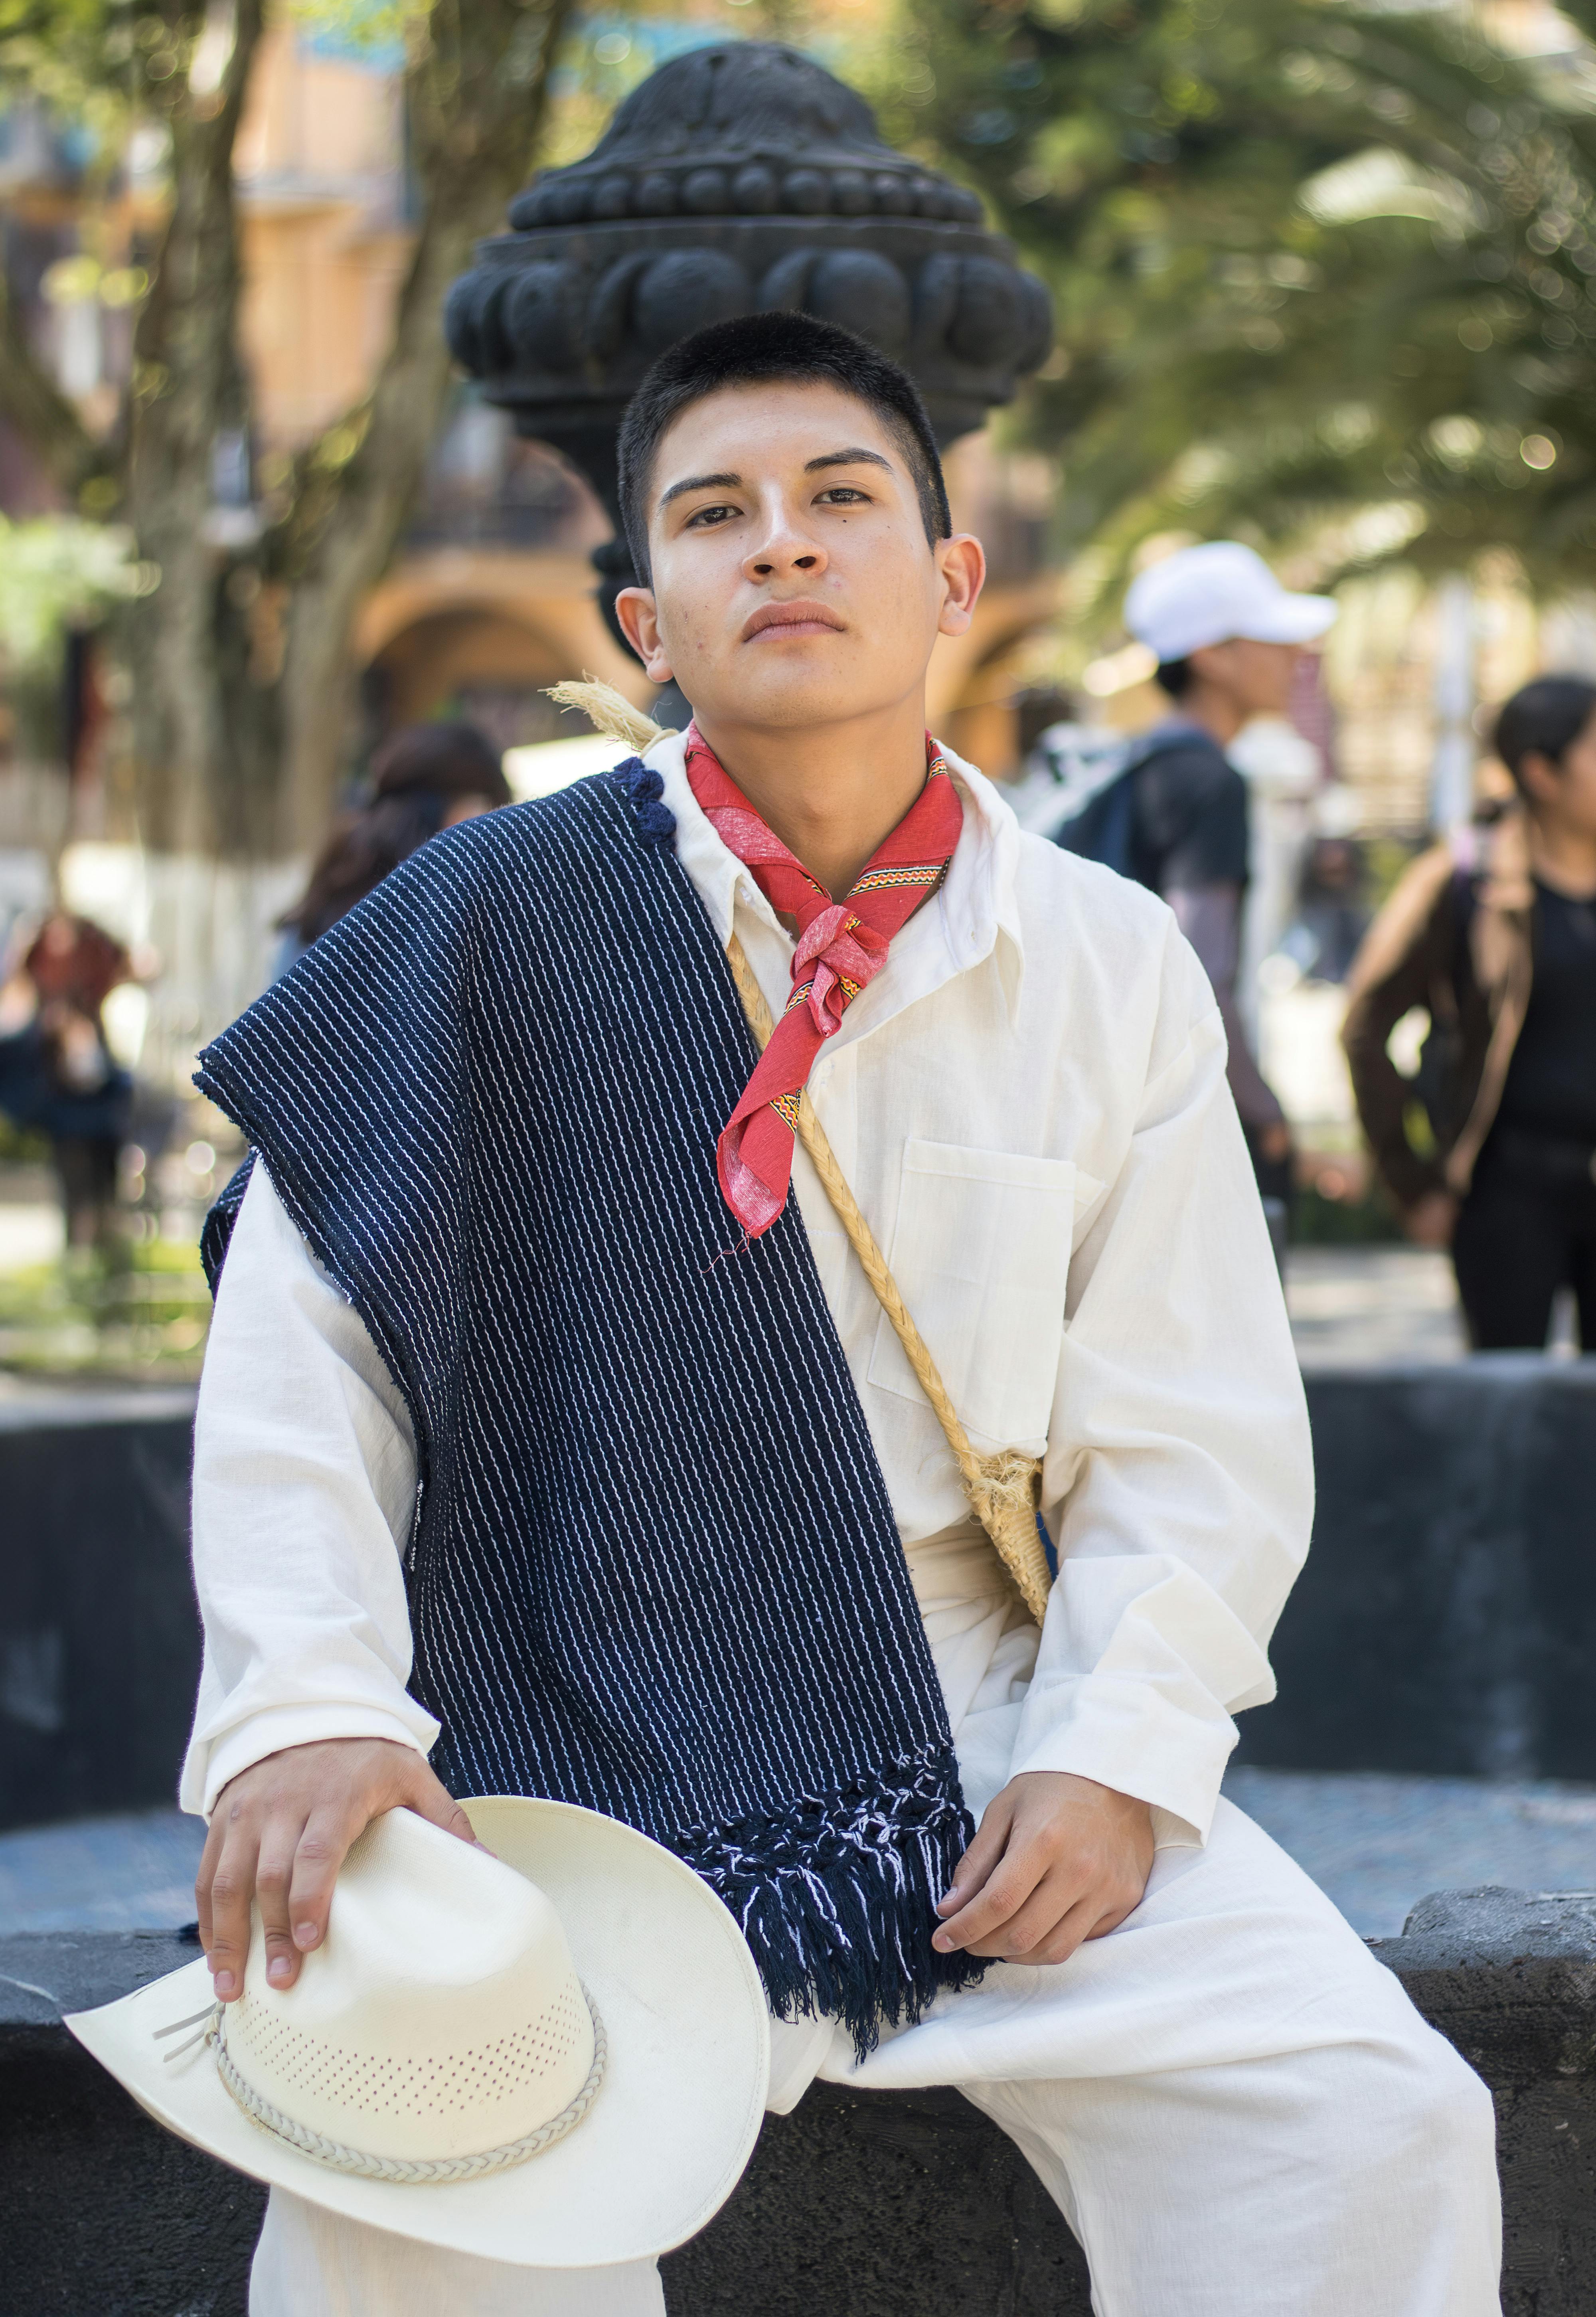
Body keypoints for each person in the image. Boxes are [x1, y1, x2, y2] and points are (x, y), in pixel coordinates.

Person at [183, 314, 1495, 2315]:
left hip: (957, 1722)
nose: (780, 547)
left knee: (1359, 2113)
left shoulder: (1105, 959)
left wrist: (1118, 1752)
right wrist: (312, 1711)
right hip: (553, 1704)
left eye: (838, 502)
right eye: (715, 516)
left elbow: (1187, 1422)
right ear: (647, 618)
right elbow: (303, 1359)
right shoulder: (482, 925)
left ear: (948, 579)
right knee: (410, 2205)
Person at [1344, 672, 1596, 1351]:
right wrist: (1412, 1181)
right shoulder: (1466, 880)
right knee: (1506, 1413)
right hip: (1509, 1193)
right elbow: (1366, 1026)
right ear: (1542, 772)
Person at [1111, 542, 1337, 1197]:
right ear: (1212, 656)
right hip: (1167, 1125)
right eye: (1271, 640)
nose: (1297, 659)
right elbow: (1201, 974)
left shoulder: (1144, 762)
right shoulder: (1210, 782)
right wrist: (1262, 1111)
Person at [273, 719, 510, 971]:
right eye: (480, 806)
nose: (488, 824)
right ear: (435, 807)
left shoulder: (340, 874)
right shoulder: (413, 920)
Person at [0, 911, 133, 1247]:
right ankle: (84, 1258)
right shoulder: (40, 1009)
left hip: (98, 1112)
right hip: (66, 1112)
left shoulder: (89, 1002)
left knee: (104, 1196)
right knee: (78, 1199)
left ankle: (103, 1255)